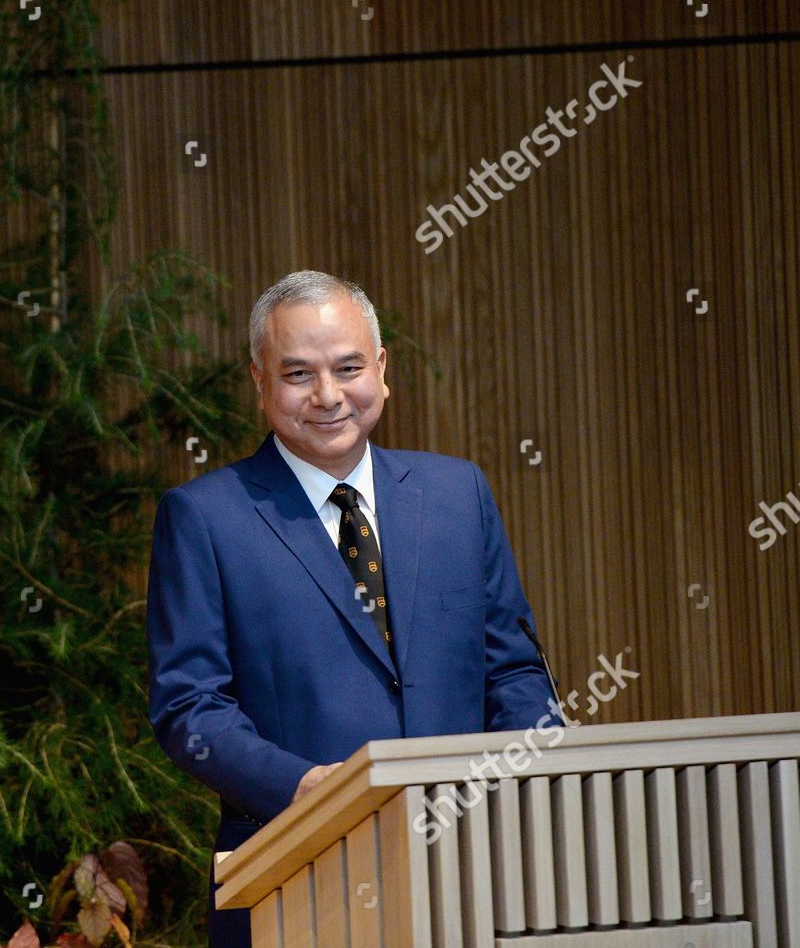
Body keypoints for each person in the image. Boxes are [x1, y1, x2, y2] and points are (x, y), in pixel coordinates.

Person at [145, 270, 558, 947]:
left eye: (348, 367)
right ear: (259, 381)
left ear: (383, 368)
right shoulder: (205, 518)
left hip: (473, 875)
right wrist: (304, 786)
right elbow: (188, 708)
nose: (328, 395)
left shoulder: (459, 495)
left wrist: (529, 779)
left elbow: (514, 674)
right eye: (298, 374)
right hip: (297, 876)